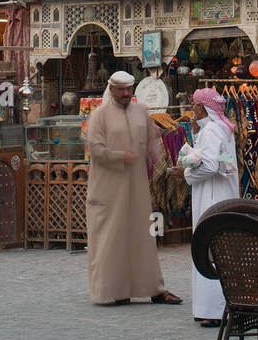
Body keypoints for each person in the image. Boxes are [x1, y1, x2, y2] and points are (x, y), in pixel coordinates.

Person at [85, 70, 180, 306]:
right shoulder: (100, 116)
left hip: (137, 187)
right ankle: (114, 291)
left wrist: (158, 160)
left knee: (142, 236)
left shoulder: (140, 112)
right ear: (112, 90)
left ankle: (154, 289)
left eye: (129, 89)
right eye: (121, 90)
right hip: (109, 188)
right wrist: (120, 156)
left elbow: (152, 142)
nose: (126, 94)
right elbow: (95, 150)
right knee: (112, 238)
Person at [181, 87, 239, 326]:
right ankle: (219, 305)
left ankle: (214, 309)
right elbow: (225, 160)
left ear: (201, 108)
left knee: (209, 247)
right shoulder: (221, 129)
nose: (192, 111)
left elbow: (210, 166)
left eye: (195, 106)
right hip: (221, 192)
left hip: (212, 196)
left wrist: (186, 173)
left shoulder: (213, 130)